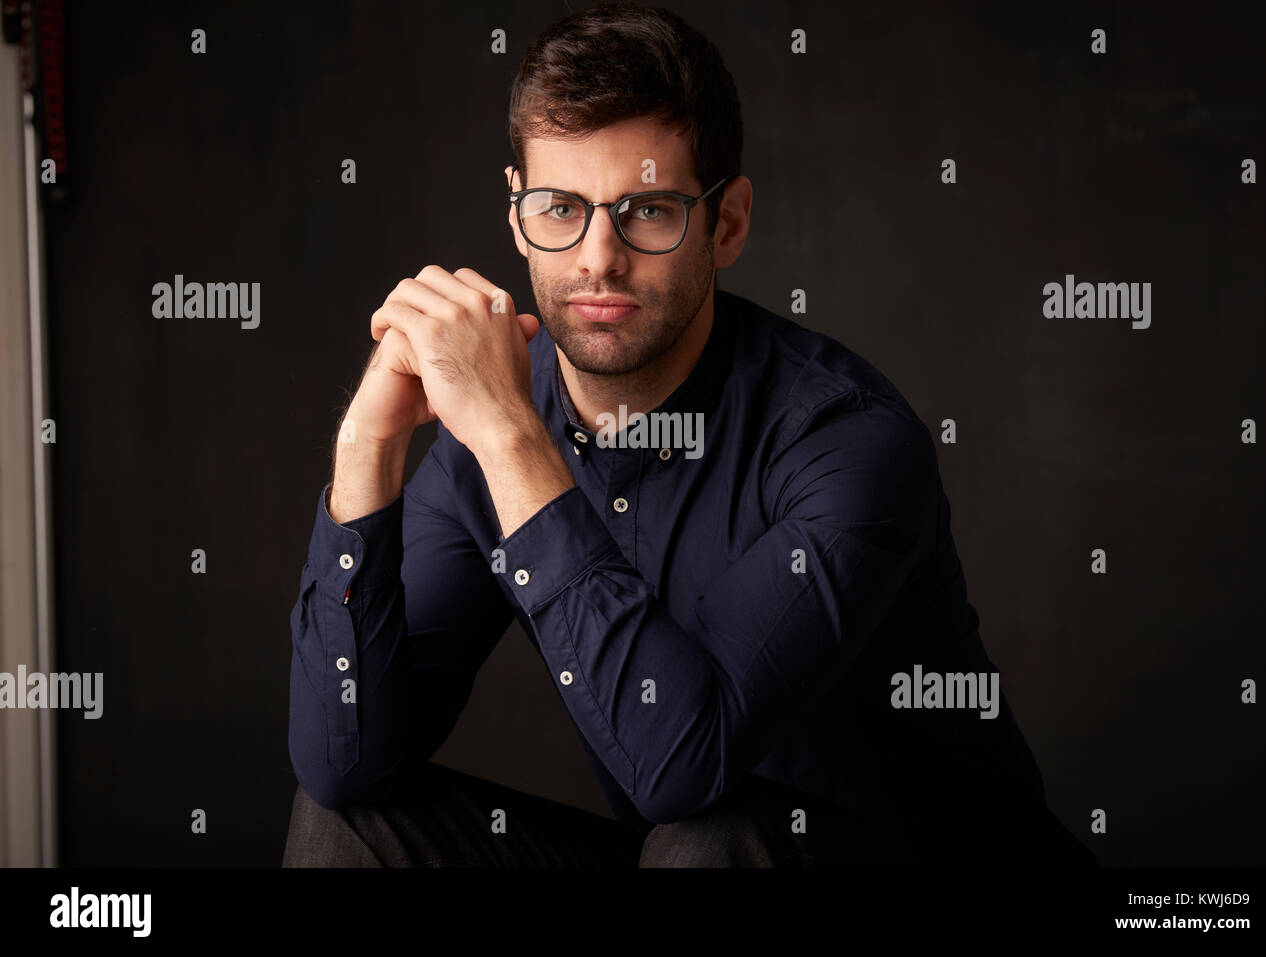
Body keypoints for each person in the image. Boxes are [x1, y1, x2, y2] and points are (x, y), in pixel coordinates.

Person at [281, 2, 1097, 868]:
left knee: (710, 840)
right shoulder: (498, 428)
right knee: (347, 828)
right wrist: (364, 452)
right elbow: (346, 763)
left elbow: (683, 767)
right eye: (561, 207)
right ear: (518, 211)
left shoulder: (846, 438)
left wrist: (512, 442)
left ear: (728, 222)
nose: (597, 256)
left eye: (649, 210)